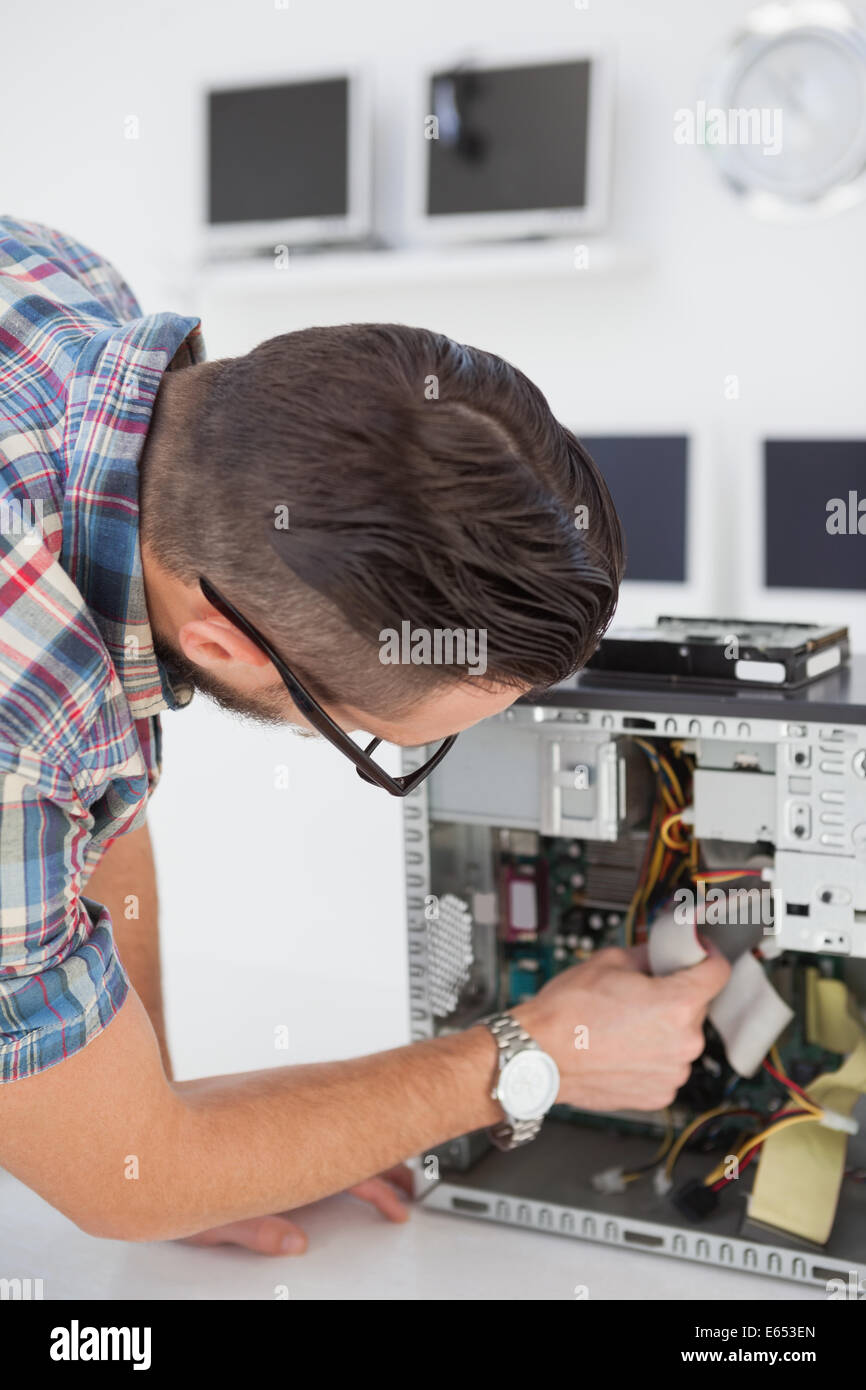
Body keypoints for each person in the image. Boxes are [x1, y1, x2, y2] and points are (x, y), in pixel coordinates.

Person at [0, 217, 730, 1255]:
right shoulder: (19, 702)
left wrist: (186, 1129)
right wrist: (534, 1050)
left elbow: (94, 782)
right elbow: (126, 1186)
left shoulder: (71, 296)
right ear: (227, 639)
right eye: (388, 738)